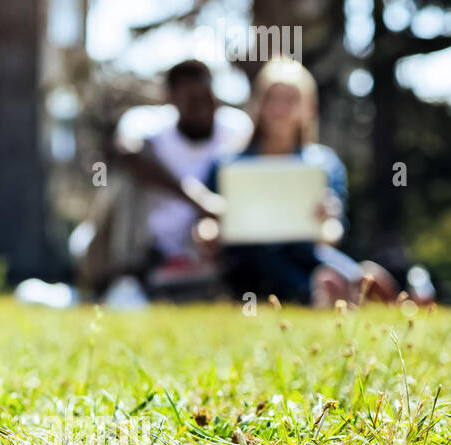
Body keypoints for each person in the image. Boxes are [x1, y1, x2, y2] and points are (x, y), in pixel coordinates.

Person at [202, 57, 398, 307]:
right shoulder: (227, 163)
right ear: (258, 104)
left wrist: (327, 219)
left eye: (290, 100)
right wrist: (208, 232)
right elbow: (209, 224)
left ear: (309, 108)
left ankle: (346, 285)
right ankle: (330, 290)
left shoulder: (324, 164)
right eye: (271, 99)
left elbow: (332, 234)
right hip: (246, 259)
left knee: (303, 253)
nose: (279, 109)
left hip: (305, 252)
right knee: (264, 252)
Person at [106, 59, 252, 294]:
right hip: (153, 246)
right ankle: (125, 275)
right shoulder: (148, 124)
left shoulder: (236, 128)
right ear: (171, 100)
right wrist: (199, 200)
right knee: (125, 184)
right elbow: (127, 151)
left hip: (213, 241)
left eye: (206, 97)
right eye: (191, 100)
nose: (202, 108)